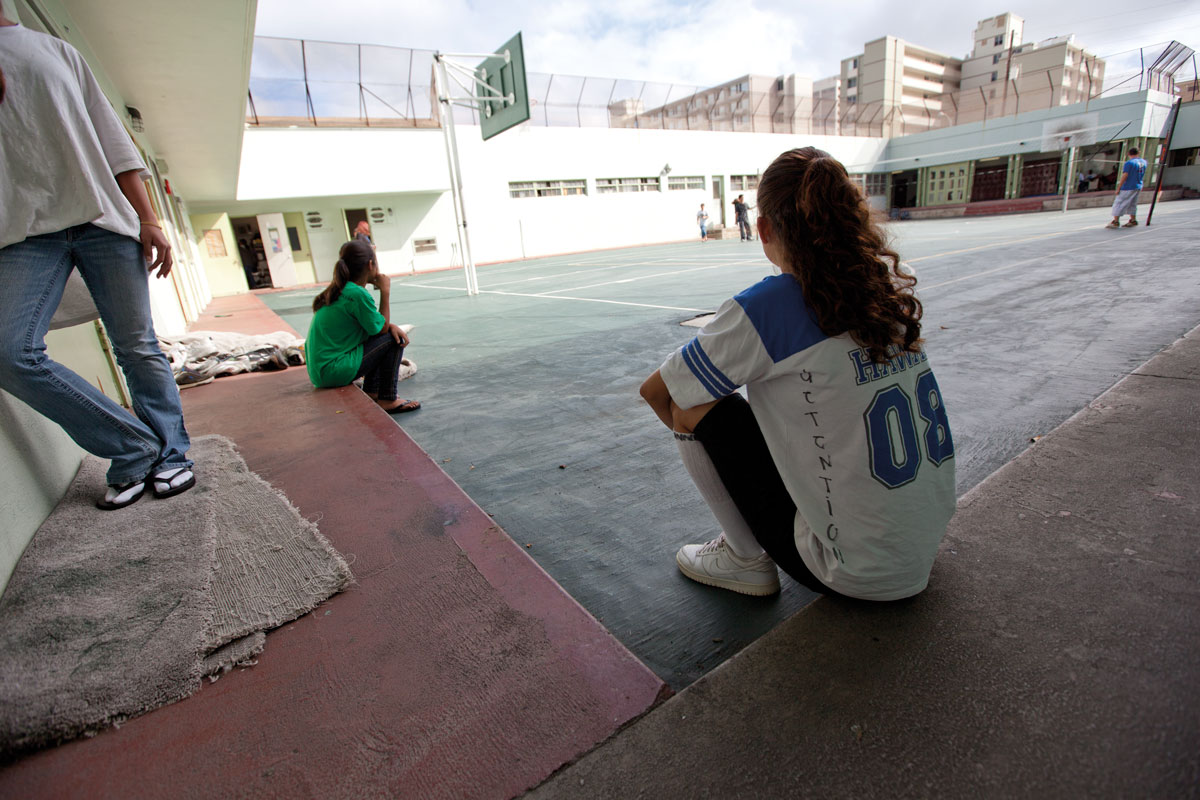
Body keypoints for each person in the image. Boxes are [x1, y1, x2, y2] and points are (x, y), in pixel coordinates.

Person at [640, 147, 956, 601]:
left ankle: (744, 557)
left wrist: (732, 453)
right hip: (919, 546)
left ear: (764, 228)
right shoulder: (885, 286)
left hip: (854, 573)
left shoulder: (772, 306)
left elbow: (658, 393)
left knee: (692, 403)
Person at [0, 14, 195, 510]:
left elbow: (115, 142)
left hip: (103, 219)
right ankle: (133, 446)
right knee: (9, 353)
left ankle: (172, 453)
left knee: (136, 344)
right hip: (24, 234)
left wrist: (149, 217)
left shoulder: (55, 51)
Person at [305, 239, 420, 414]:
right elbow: (380, 330)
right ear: (370, 264)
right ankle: (388, 399)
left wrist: (390, 325)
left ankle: (372, 391)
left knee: (386, 334)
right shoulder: (357, 294)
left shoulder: (341, 289)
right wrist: (385, 291)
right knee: (393, 339)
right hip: (333, 371)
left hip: (321, 372)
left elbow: (375, 325)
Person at [1107, 147, 1148, 228]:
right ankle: (1133, 220)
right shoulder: (1144, 162)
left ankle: (1115, 221)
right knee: (1132, 203)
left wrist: (1119, 187)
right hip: (1138, 185)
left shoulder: (1129, 163)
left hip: (1128, 186)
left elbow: (1125, 175)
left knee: (1119, 203)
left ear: (1129, 154)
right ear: (1138, 153)